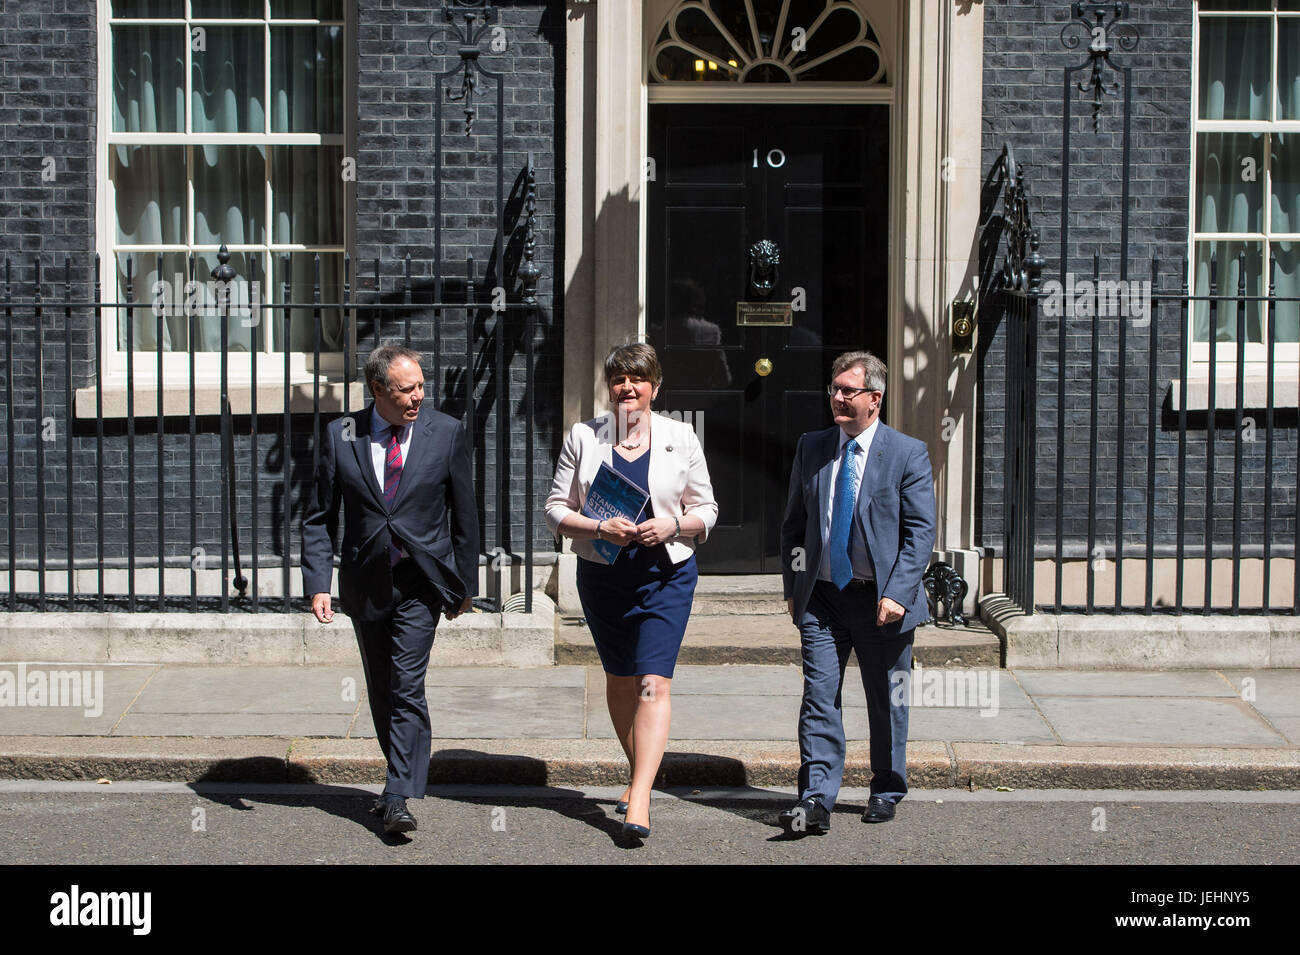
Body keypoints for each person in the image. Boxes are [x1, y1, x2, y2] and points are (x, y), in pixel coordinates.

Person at [301, 345, 479, 836]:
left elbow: (465, 515)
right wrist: (319, 582)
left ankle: (398, 793)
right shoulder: (341, 434)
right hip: (366, 581)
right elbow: (319, 517)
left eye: (421, 385)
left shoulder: (445, 432)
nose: (418, 396)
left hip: (423, 581)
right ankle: (397, 780)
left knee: (405, 684)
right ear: (378, 389)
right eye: (407, 389)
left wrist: (464, 583)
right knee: (382, 688)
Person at [545, 343, 717, 841]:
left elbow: (707, 510)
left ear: (654, 389)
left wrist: (673, 526)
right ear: (610, 387)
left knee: (653, 682)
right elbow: (556, 508)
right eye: (619, 379)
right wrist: (599, 528)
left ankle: (640, 796)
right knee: (621, 679)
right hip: (604, 576)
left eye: (637, 380)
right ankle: (638, 770)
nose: (627, 388)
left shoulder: (680, 436)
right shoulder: (584, 436)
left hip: (665, 575)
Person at [778, 350, 935, 833]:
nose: (838, 398)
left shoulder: (907, 453)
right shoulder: (813, 446)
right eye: (835, 389)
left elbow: (920, 533)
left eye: (849, 391)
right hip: (822, 598)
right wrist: (793, 584)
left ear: (875, 398)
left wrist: (899, 592)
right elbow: (794, 525)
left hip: (880, 601)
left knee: (887, 698)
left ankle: (886, 788)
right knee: (819, 696)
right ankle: (816, 798)